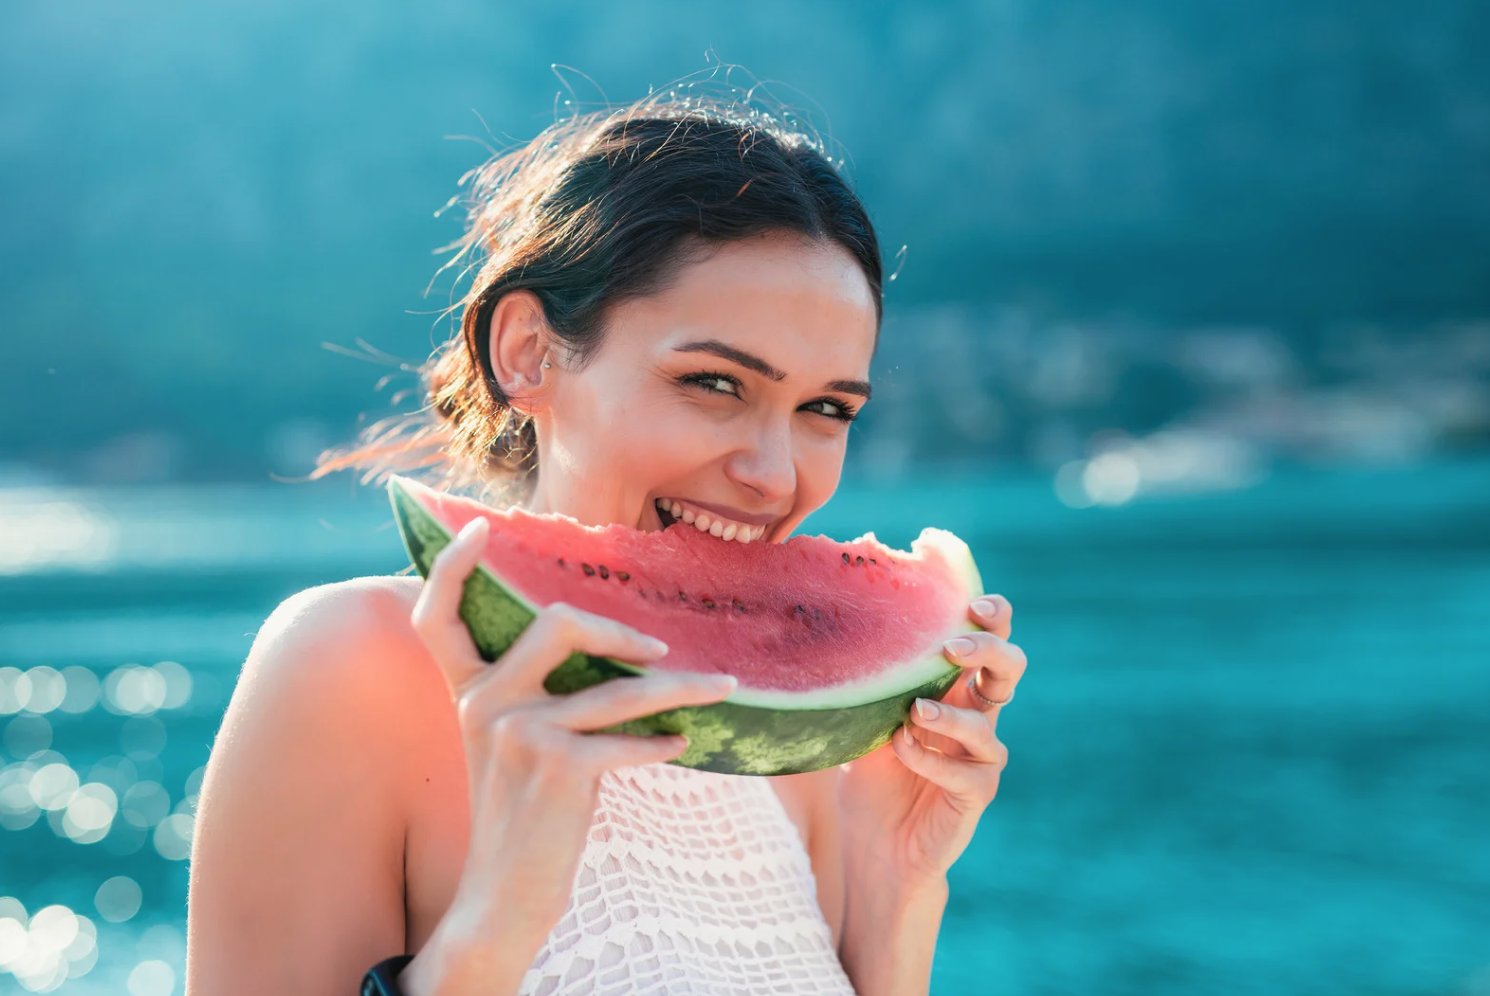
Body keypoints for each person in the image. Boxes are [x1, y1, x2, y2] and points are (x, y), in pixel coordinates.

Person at [184, 87, 1028, 996]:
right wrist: (498, 919)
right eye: (713, 383)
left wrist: (896, 884)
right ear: (528, 355)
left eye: (827, 410)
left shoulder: (799, 751)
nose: (777, 476)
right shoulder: (351, 664)